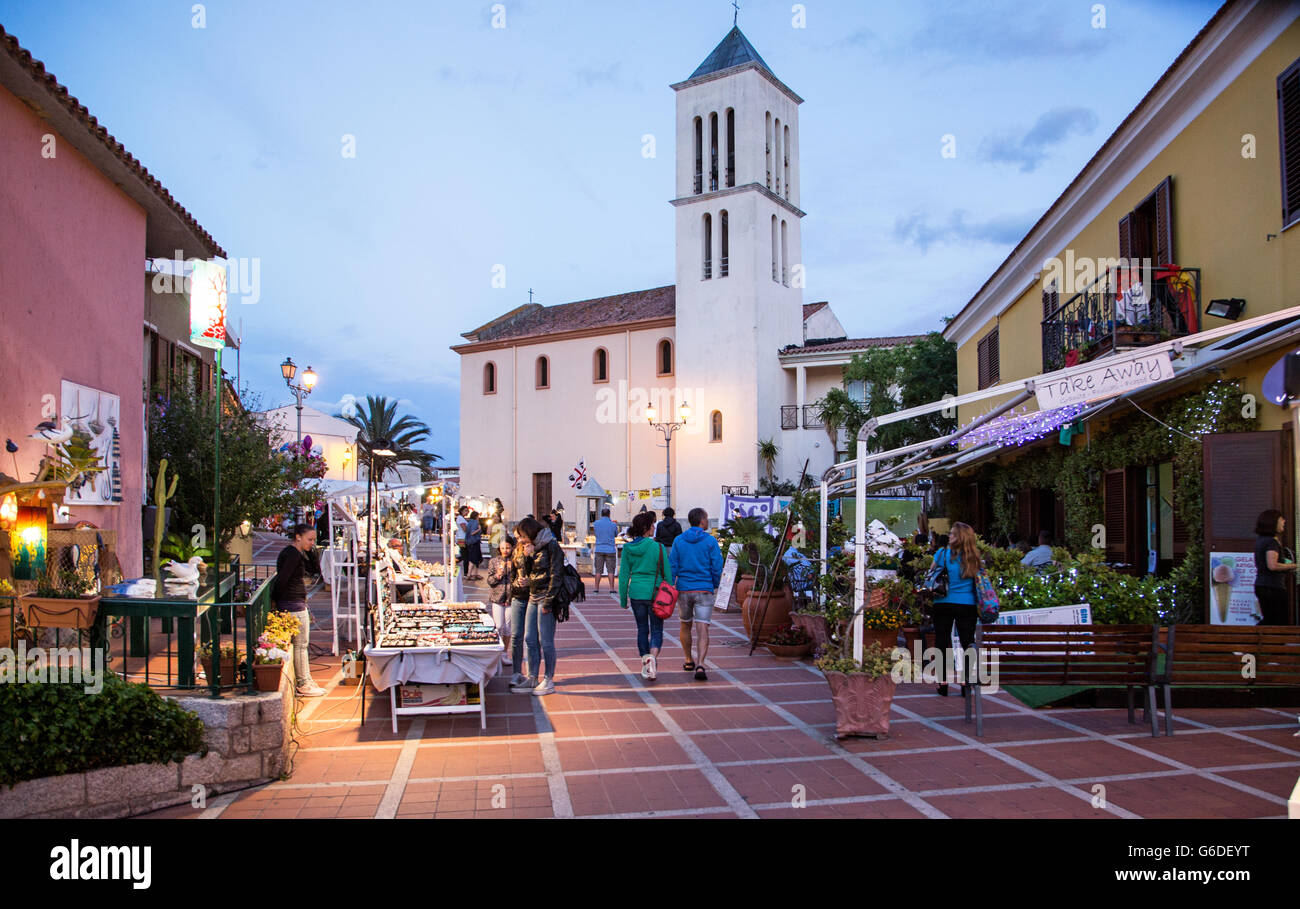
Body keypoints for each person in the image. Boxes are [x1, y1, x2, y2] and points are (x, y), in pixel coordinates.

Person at [926, 522, 981, 697]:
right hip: (968, 603)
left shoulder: (942, 554)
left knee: (942, 641)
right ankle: (966, 681)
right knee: (967, 642)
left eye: (952, 534)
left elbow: (931, 572)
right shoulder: (973, 557)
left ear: (959, 537)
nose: (949, 536)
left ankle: (943, 682)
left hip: (943, 602)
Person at [512, 516, 564, 695]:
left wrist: (549, 602)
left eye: (521, 536)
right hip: (533, 596)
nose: (520, 540)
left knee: (546, 640)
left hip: (546, 598)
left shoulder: (551, 545)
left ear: (530, 533)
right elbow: (527, 573)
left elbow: (556, 575)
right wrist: (527, 557)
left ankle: (549, 679)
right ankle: (532, 677)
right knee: (529, 638)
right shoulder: (531, 548)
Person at [669, 508, 723, 681]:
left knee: (685, 625)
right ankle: (700, 663)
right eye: (706, 519)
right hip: (704, 588)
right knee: (702, 628)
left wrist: (672, 584)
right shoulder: (710, 541)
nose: (707, 521)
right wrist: (714, 584)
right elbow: (717, 566)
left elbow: (673, 565)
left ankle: (687, 659)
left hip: (684, 589)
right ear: (702, 521)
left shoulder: (679, 540)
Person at [272, 523, 326, 697]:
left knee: (301, 645)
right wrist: (276, 600)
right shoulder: (292, 555)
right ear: (298, 537)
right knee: (301, 645)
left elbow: (315, 569)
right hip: (292, 603)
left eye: (313, 540)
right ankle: (303, 682)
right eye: (309, 540)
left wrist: (311, 551)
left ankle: (306, 679)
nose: (312, 543)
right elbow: (282, 579)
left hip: (293, 601)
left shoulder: (297, 554)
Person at [619, 511, 673, 680]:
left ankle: (645, 660)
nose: (654, 527)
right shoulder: (658, 547)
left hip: (636, 593)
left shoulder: (628, 548)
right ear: (646, 528)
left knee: (642, 629)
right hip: (655, 593)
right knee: (657, 629)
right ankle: (653, 658)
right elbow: (667, 573)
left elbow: (623, 575)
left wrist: (622, 598)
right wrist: (670, 593)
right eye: (652, 524)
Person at [1253, 509, 1296, 625]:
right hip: (1272, 587)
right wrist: (1293, 566)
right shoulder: (1272, 542)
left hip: (1262, 584)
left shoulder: (1261, 540)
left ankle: (1260, 640)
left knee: (1270, 619)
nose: (1284, 522)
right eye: (1281, 520)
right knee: (1277, 621)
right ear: (1273, 523)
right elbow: (1272, 565)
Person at [486, 535, 516, 666]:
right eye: (503, 547)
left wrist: (513, 570)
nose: (505, 550)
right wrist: (498, 574)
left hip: (511, 597)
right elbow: (490, 581)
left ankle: (504, 652)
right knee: (498, 626)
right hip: (497, 597)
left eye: (508, 547)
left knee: (508, 627)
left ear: (512, 548)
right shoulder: (493, 561)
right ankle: (496, 651)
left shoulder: (515, 561)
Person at [592, 507, 619, 594]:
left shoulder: (596, 523)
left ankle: (596, 589)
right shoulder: (613, 524)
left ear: (601, 514)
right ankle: (611, 589)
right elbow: (615, 534)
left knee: (598, 570)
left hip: (599, 548)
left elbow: (596, 533)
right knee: (611, 570)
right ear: (609, 514)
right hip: (610, 549)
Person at [465, 510, 483, 579]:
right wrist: (479, 529)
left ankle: (475, 573)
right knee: (474, 559)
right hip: (474, 542)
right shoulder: (475, 522)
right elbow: (472, 532)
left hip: (470, 542)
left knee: (475, 558)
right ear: (476, 516)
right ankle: (469, 574)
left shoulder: (469, 522)